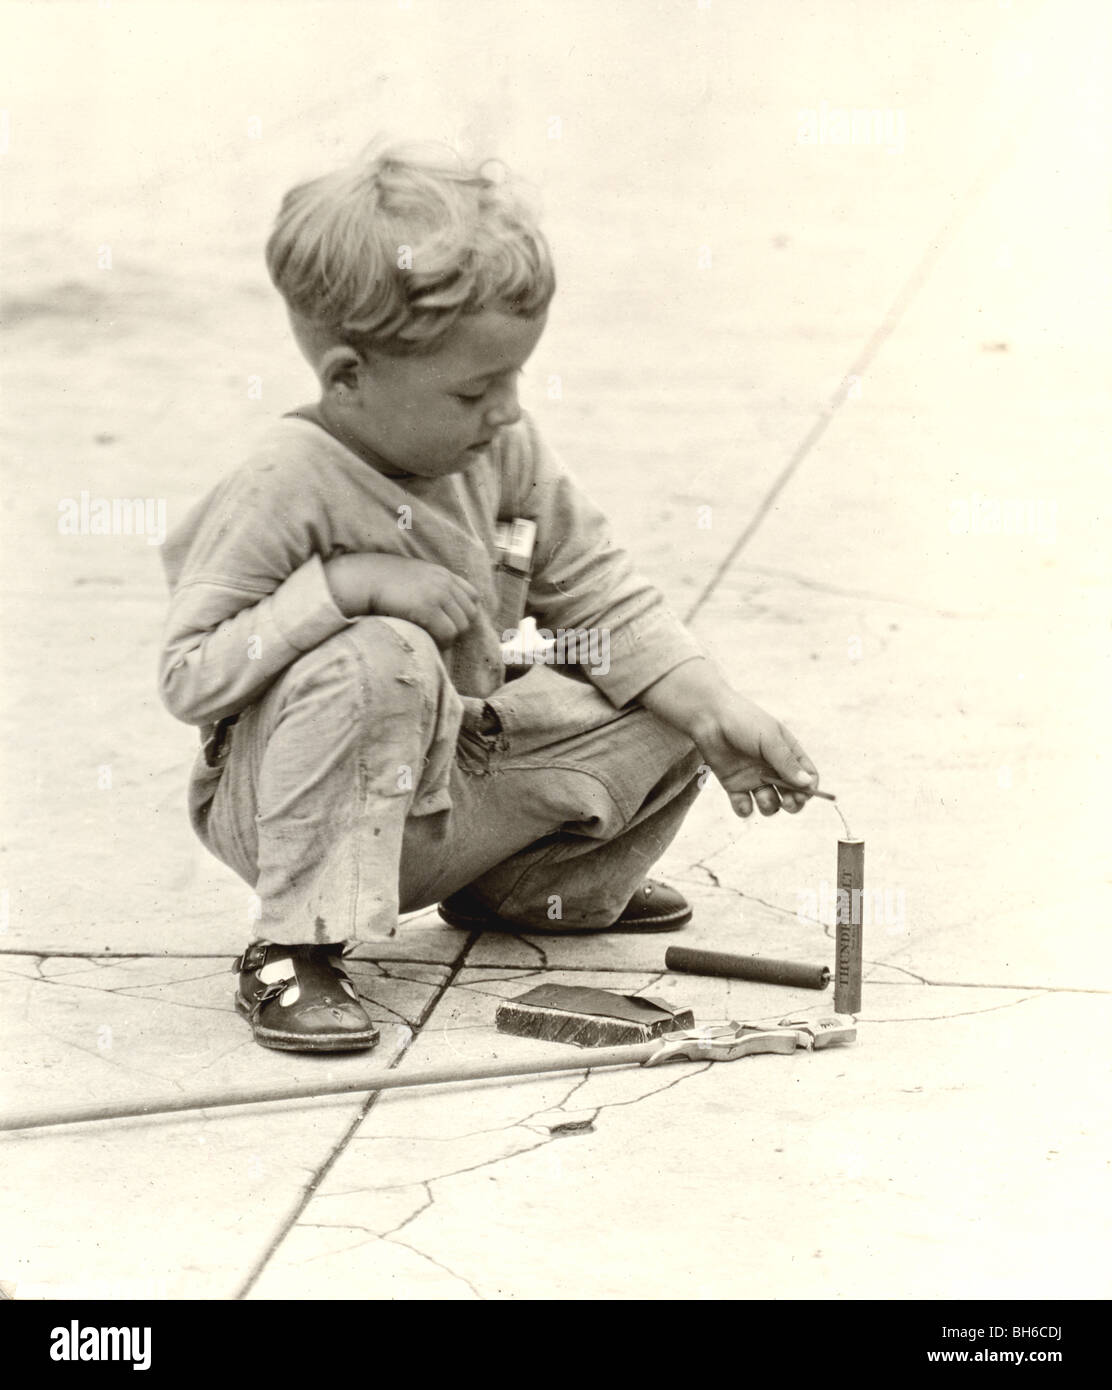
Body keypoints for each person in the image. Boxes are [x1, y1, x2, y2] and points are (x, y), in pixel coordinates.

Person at [158, 140, 822, 1054]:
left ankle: (522, 889)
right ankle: (292, 946)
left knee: (663, 689)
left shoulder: (499, 448)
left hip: (452, 775)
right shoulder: (287, 480)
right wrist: (342, 590)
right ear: (348, 376)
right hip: (294, 803)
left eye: (513, 377)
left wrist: (715, 707)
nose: (508, 408)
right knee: (380, 656)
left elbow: (600, 590)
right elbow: (191, 676)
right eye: (476, 388)